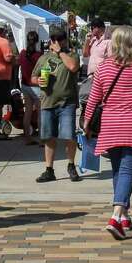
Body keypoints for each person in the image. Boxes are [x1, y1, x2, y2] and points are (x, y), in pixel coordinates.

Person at [83, 26, 132, 240]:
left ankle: (124, 214)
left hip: (110, 125)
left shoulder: (104, 67)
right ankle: (116, 217)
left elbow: (94, 98)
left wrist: (87, 122)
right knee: (128, 170)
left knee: (118, 170)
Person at [32, 26, 81, 183]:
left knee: (69, 136)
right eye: (55, 39)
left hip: (67, 103)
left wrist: (60, 52)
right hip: (48, 102)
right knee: (48, 137)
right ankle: (49, 169)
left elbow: (73, 67)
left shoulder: (71, 55)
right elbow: (33, 77)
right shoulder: (43, 58)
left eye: (61, 39)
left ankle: (71, 165)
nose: (58, 42)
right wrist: (37, 81)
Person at [18, 31, 43, 145]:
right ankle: (42, 139)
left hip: (25, 85)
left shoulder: (22, 53)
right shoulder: (39, 55)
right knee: (40, 113)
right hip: (36, 85)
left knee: (27, 112)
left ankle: (27, 137)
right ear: (37, 41)